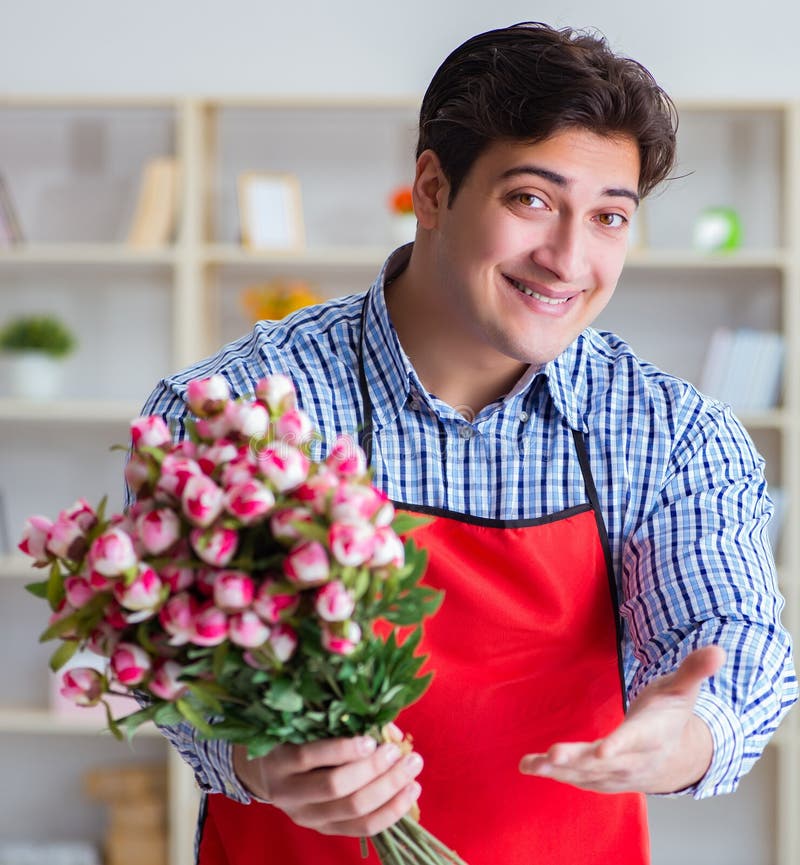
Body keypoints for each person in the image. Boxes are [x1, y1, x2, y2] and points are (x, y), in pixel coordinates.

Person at [139, 21, 797, 864]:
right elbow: (168, 665)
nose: (568, 258)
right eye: (531, 200)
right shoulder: (243, 411)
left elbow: (730, 635)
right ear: (434, 188)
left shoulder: (671, 433)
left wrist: (688, 732)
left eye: (608, 217)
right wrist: (255, 756)